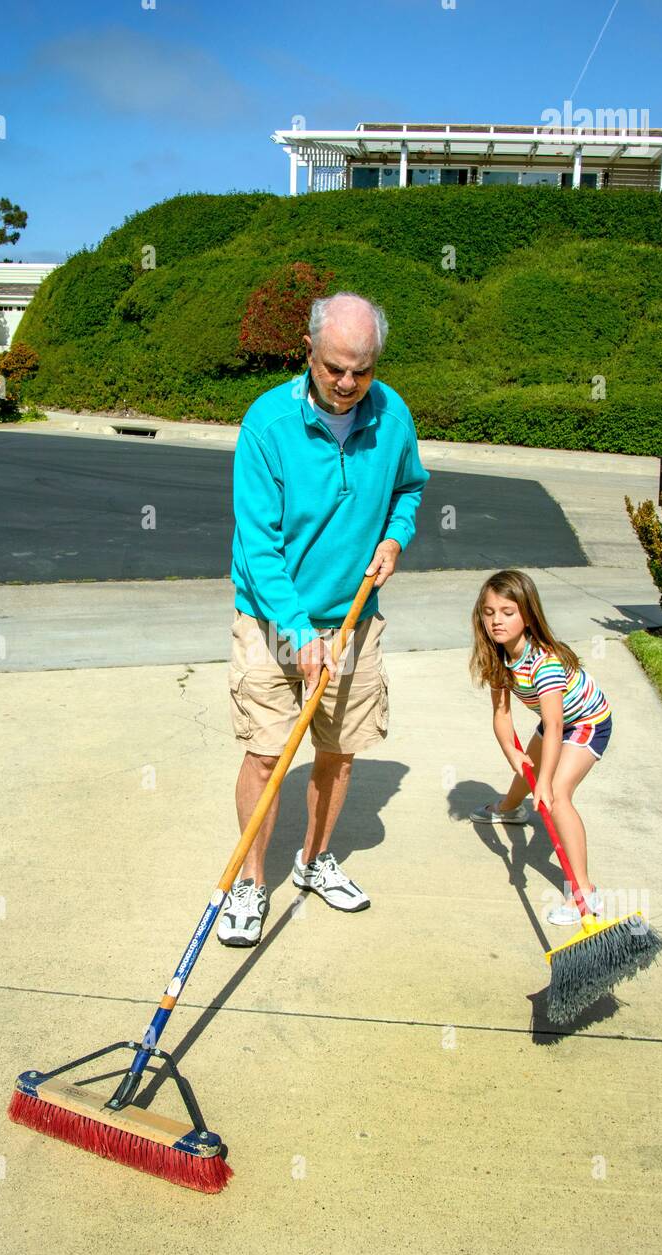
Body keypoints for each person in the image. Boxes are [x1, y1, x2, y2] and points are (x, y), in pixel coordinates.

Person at [220, 291, 430, 946]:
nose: (346, 384)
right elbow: (259, 544)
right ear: (308, 349)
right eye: (335, 366)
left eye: (361, 370)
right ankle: (252, 883)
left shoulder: (392, 416)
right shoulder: (267, 425)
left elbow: (409, 487)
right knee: (267, 755)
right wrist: (297, 630)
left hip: (354, 620)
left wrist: (396, 535)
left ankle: (313, 862)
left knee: (338, 754)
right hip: (270, 620)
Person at [468, 569, 613, 926]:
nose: (496, 621)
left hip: (585, 723)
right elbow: (501, 715)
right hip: (553, 723)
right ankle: (509, 808)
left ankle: (584, 891)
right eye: (489, 613)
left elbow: (556, 726)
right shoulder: (498, 656)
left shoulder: (543, 663)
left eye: (507, 612)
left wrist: (545, 782)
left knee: (557, 793)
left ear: (528, 615)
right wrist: (512, 752)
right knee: (525, 770)